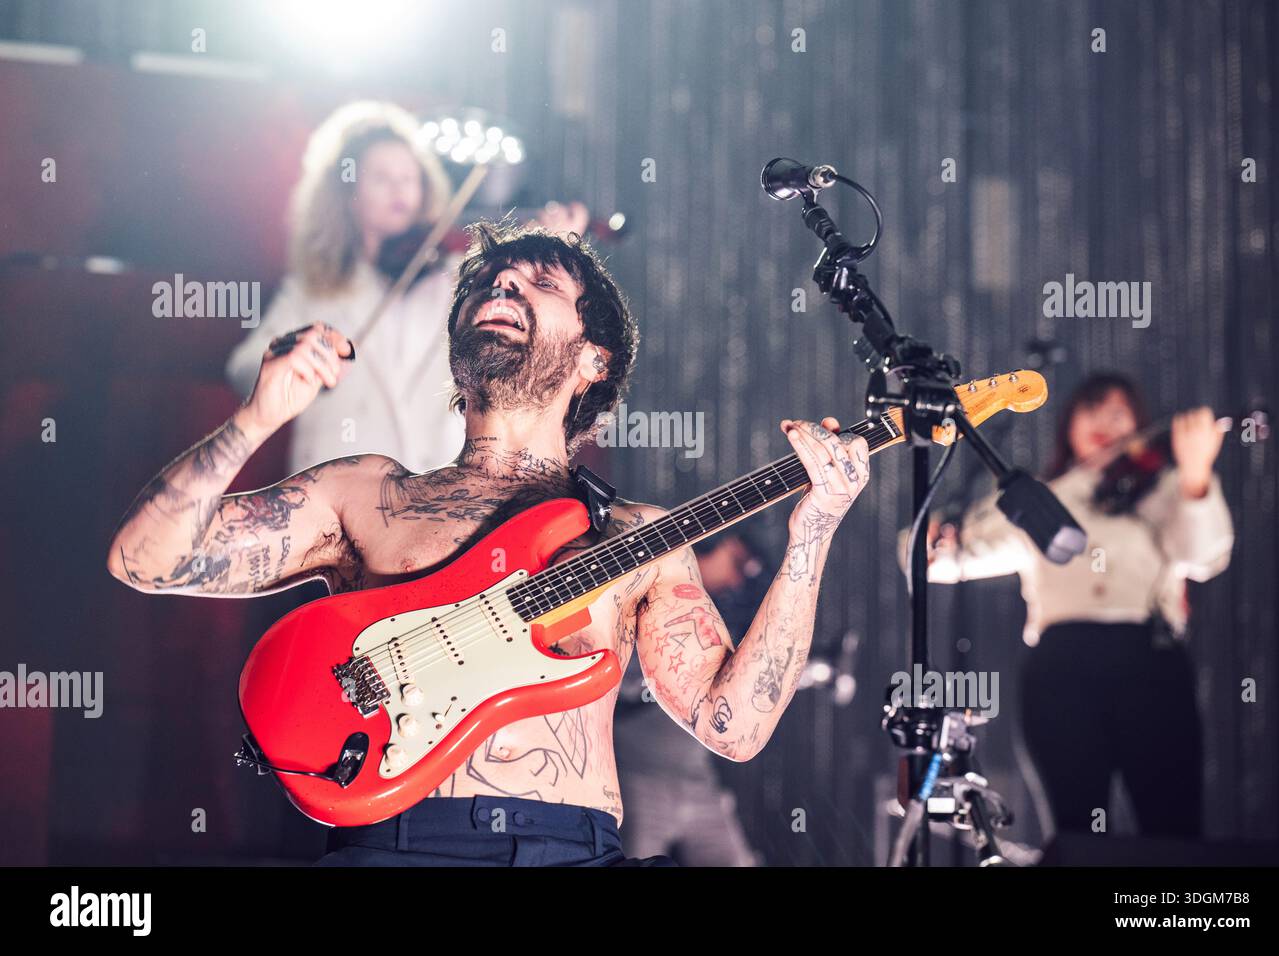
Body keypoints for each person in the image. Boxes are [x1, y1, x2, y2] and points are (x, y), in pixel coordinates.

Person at [107, 220, 872, 866]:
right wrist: (259, 415)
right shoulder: (368, 494)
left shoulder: (634, 536)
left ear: (592, 360)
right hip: (394, 841)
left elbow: (730, 725)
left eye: (539, 283)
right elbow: (145, 558)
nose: (503, 286)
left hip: (570, 844)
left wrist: (815, 532)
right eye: (490, 281)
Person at [908, 372, 1233, 839]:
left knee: (1173, 827)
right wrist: (942, 534)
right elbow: (924, 558)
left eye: (1119, 413)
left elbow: (1205, 556)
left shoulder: (1159, 488)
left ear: (1138, 423)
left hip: (1149, 660)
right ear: (1069, 424)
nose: (1105, 421)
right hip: (1062, 669)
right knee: (1075, 828)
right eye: (1093, 409)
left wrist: (1196, 472)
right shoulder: (1042, 498)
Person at [226, 100, 588, 475]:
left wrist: (553, 247)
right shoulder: (312, 288)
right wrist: (302, 361)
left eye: (409, 177)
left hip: (436, 482)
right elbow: (241, 369)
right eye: (381, 177)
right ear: (346, 193)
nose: (399, 188)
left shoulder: (462, 278)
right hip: (336, 483)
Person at [615, 530, 768, 866]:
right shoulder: (646, 583)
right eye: (737, 562)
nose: (737, 578)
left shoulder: (719, 611)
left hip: (699, 781)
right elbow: (622, 683)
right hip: (637, 778)